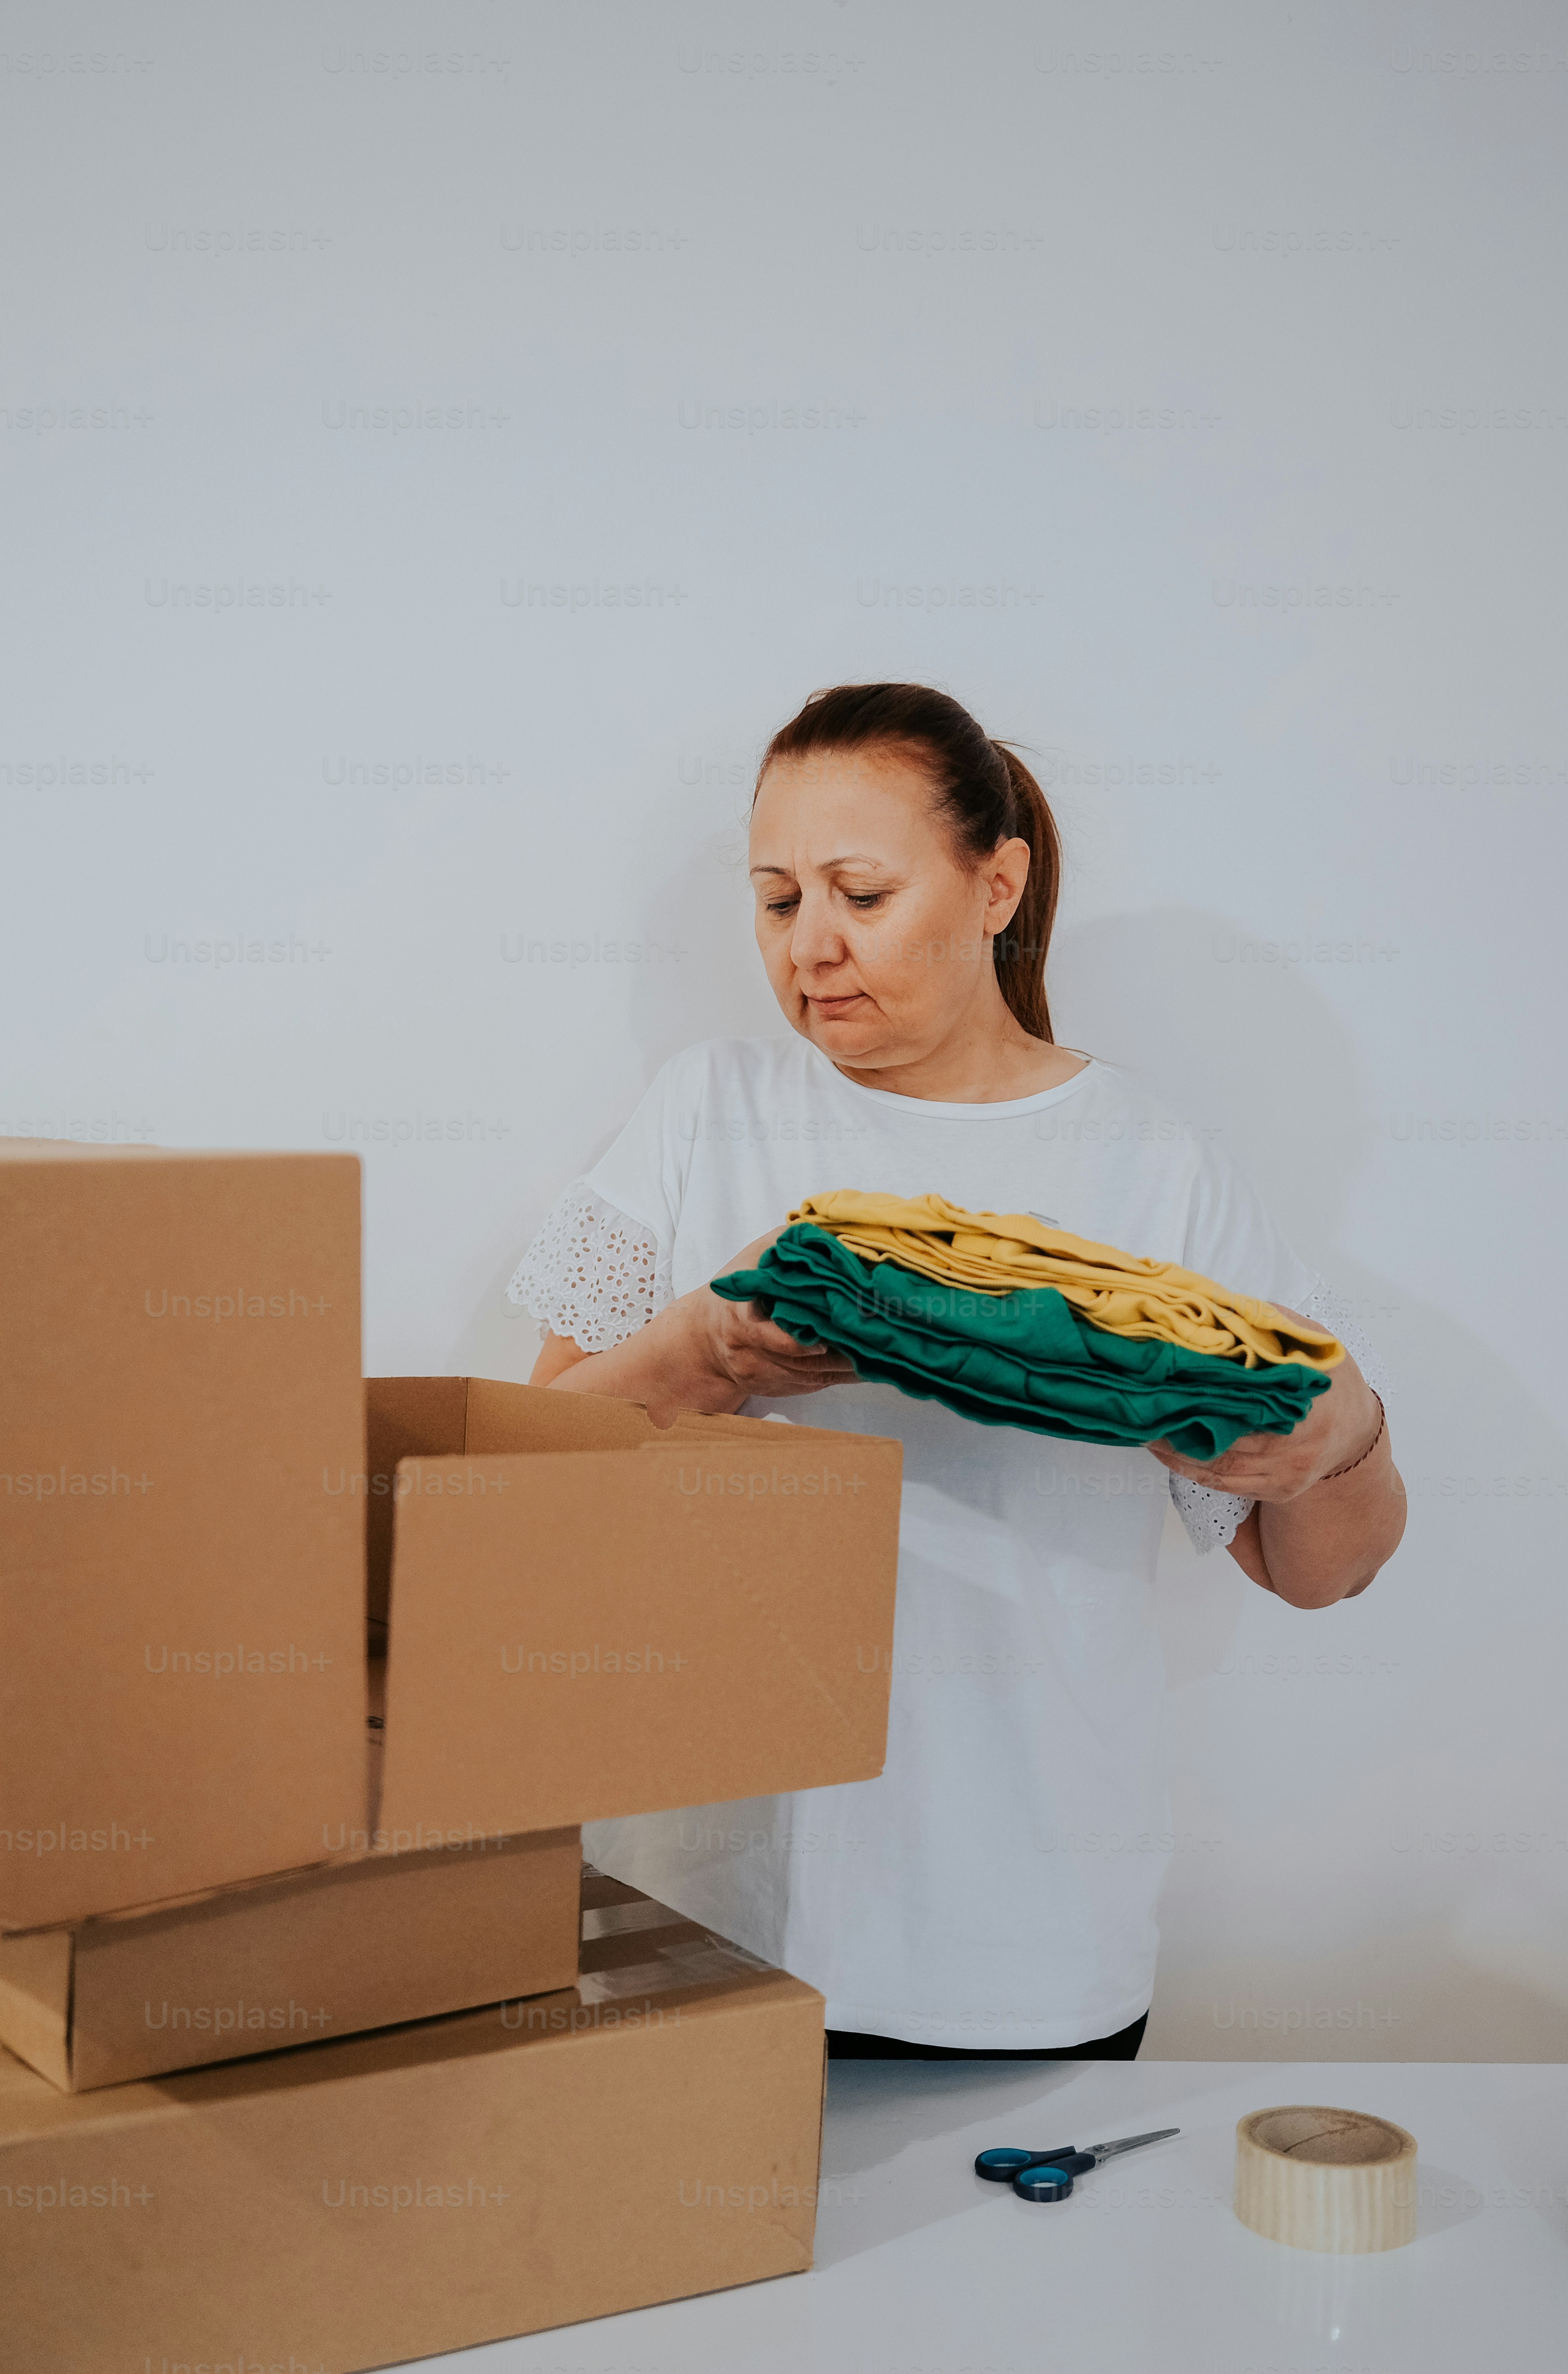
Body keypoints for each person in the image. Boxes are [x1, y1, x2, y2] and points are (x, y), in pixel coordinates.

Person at [507, 682, 1406, 2060]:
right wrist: (701, 1353)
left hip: (1029, 1937)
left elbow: (1316, 1570)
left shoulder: (1148, 1164)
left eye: (860, 894)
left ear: (997, 886)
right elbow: (521, 1484)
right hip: (710, 1909)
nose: (811, 945)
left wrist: (1338, 1435)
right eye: (776, 899)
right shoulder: (710, 1111)